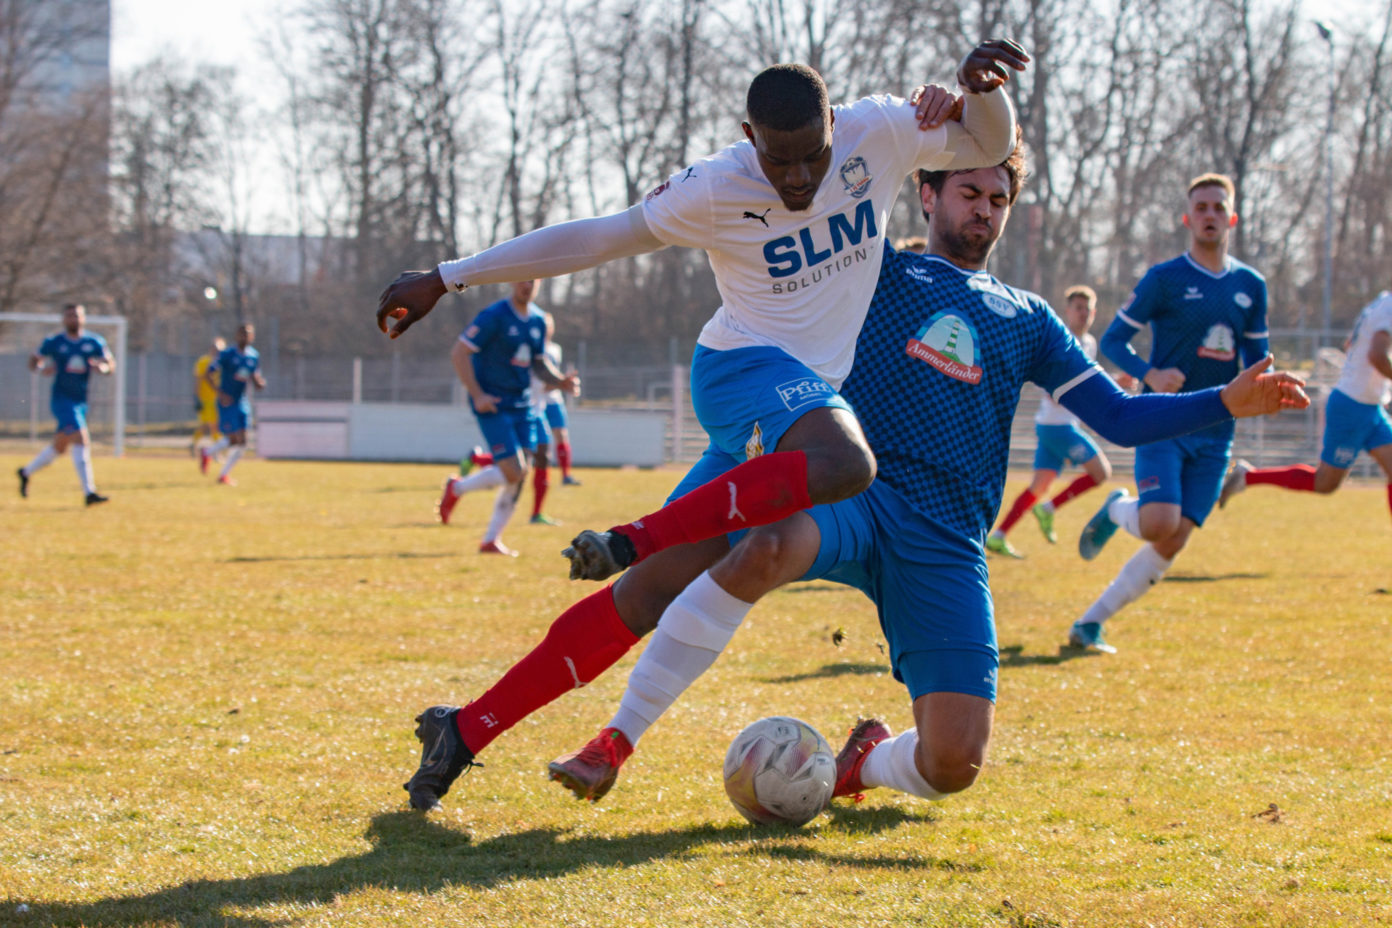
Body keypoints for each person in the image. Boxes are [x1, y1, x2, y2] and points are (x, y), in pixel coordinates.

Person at [399, 141, 1308, 814]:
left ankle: (861, 763)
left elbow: (1117, 415)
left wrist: (1225, 402)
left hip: (946, 541)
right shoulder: (868, 270)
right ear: (928, 192)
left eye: (998, 198)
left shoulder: (1028, 317)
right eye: (968, 192)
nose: (984, 211)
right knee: (750, 547)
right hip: (847, 497)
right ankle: (603, 738)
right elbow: (777, 253)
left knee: (954, 763)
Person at [377, 43, 1030, 585]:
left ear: (835, 123)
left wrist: (979, 93)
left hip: (805, 396)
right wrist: (447, 276)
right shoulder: (715, 187)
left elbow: (988, 142)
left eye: (815, 155)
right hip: (749, 376)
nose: (799, 179)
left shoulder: (878, 131)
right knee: (838, 470)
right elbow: (597, 238)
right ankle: (632, 549)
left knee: (661, 580)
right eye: (779, 160)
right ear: (749, 139)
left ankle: (565, 670)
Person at [1070, 173, 1272, 653]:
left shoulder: (1251, 285)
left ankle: (1090, 623)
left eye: (1218, 207)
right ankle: (1117, 507)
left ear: (1232, 218)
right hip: (1163, 419)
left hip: (1217, 431)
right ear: (1187, 219)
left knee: (1173, 539)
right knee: (1159, 522)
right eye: (1201, 207)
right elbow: (1115, 340)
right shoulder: (1164, 279)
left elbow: (1258, 360)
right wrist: (1151, 374)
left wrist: (1268, 390)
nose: (1209, 215)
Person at [1218, 289, 1392, 520]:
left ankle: (1247, 476)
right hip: (1353, 405)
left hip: (1370, 406)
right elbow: (1377, 355)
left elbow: (1351, 344)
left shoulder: (1381, 302)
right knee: (1325, 483)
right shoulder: (1388, 308)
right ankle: (1247, 476)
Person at [436, 280, 580, 555]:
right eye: (522, 278)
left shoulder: (538, 320)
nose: (527, 285)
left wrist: (560, 381)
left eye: (533, 280)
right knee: (514, 470)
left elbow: (538, 363)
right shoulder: (494, 316)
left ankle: (490, 539)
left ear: (539, 282)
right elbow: (459, 352)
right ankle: (458, 489)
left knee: (520, 472)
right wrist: (478, 394)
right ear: (513, 281)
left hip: (523, 405)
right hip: (493, 404)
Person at [985, 285, 1112, 557]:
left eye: (1088, 309)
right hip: (1057, 426)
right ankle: (1049, 508)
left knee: (1039, 486)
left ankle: (998, 536)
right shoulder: (1060, 339)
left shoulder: (1090, 343)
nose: (1083, 313)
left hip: (1055, 425)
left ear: (1094, 313)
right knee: (1101, 472)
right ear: (1068, 311)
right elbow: (1053, 389)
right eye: (1078, 308)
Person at [16, 303, 114, 506]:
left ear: (83, 318)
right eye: (70, 315)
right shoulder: (54, 342)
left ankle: (25, 472)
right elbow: (34, 360)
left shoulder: (94, 342)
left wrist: (102, 368)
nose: (73, 319)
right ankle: (89, 493)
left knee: (60, 447)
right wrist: (41, 369)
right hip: (61, 400)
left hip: (81, 401)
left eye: (77, 315)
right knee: (81, 438)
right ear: (63, 319)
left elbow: (110, 364)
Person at [528, 311, 579, 524]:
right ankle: (471, 465)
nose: (547, 329)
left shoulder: (554, 349)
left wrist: (562, 383)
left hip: (543, 402)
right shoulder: (531, 348)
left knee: (543, 452)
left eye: (550, 325)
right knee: (514, 464)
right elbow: (539, 380)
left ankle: (536, 514)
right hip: (529, 404)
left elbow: (547, 377)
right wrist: (562, 383)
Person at [203, 324, 266, 486]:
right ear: (237, 336)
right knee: (233, 438)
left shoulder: (253, 356)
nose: (245, 337)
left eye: (248, 334)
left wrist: (260, 383)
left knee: (242, 441)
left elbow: (255, 377)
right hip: (227, 402)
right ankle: (210, 455)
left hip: (242, 401)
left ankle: (218, 467)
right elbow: (208, 373)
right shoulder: (227, 354)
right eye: (242, 334)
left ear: (252, 337)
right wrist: (220, 393)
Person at [193, 337, 226, 473]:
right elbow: (198, 380)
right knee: (208, 426)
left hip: (218, 399)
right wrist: (196, 397)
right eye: (215, 348)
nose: (216, 351)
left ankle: (211, 451)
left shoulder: (223, 362)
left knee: (213, 426)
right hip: (206, 399)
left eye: (220, 349)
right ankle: (204, 448)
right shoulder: (204, 361)